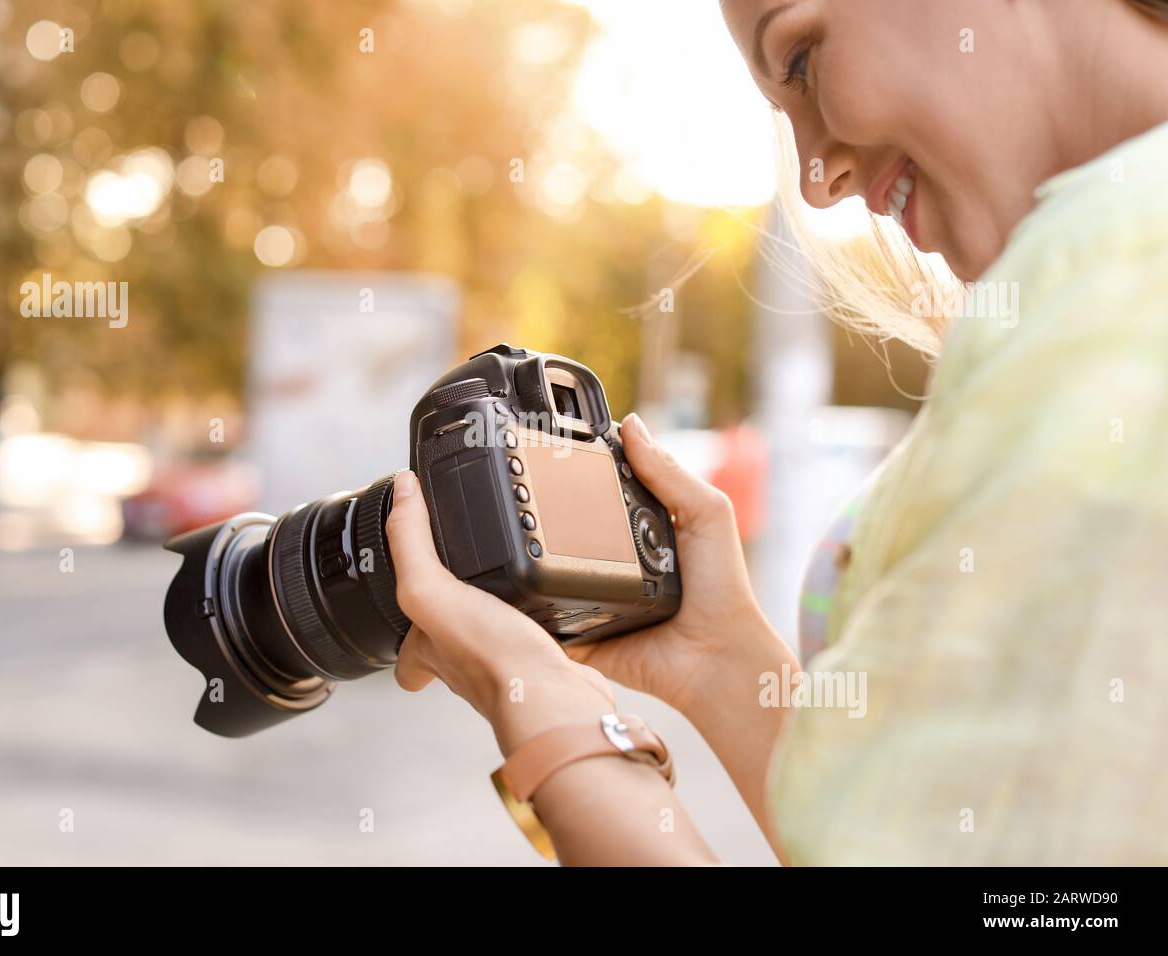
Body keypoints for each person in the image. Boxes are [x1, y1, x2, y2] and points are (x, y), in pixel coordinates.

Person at [383, 0, 1168, 865]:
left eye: (799, 57)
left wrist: (552, 722)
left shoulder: (1111, 292)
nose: (813, 178)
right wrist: (721, 662)